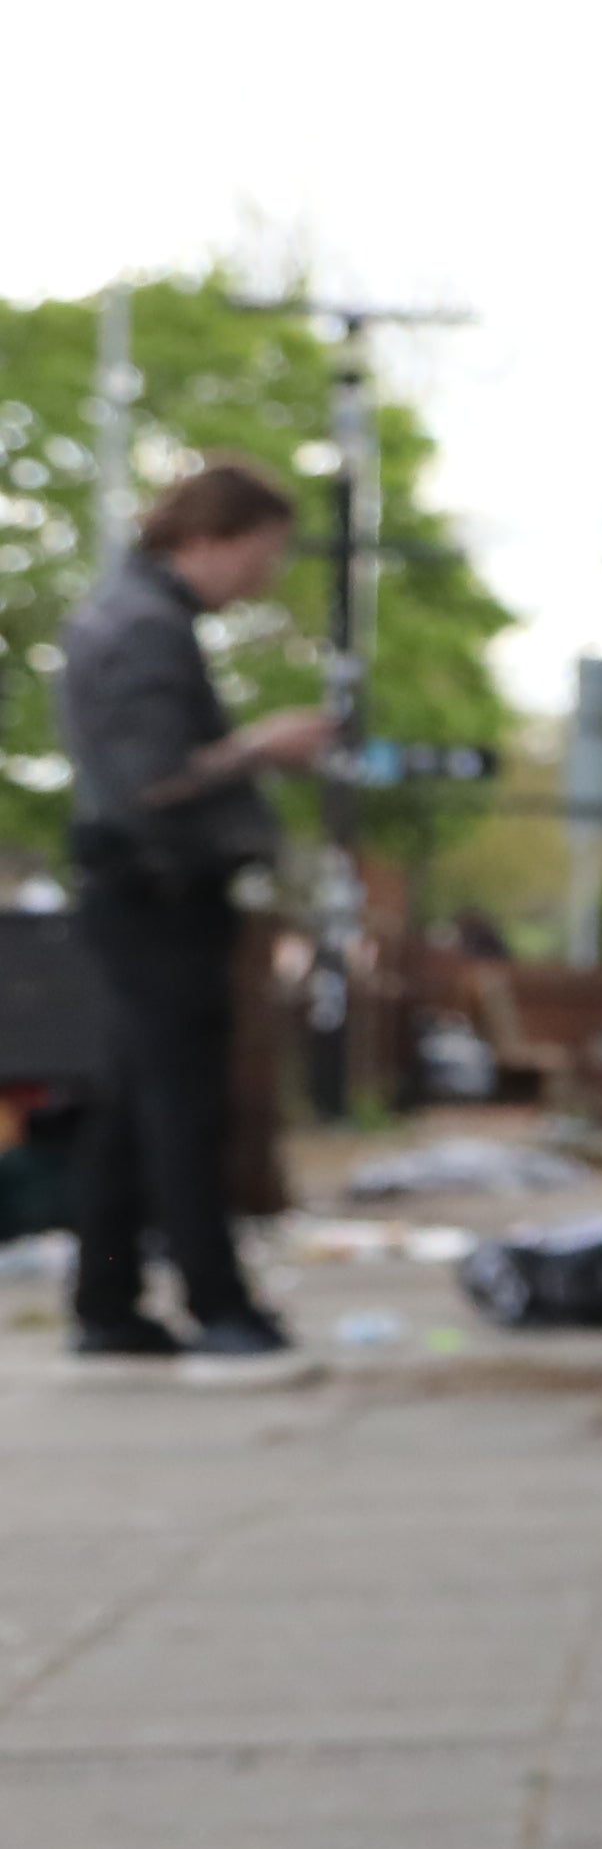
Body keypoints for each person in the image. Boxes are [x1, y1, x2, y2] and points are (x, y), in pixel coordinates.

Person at [50, 458, 334, 1382]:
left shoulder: (134, 617)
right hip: (158, 893)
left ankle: (108, 1307)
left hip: (138, 893)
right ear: (205, 539)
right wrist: (259, 746)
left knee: (133, 1109)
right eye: (262, 552)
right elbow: (150, 781)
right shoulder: (145, 628)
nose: (266, 575)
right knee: (182, 1104)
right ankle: (220, 1310)